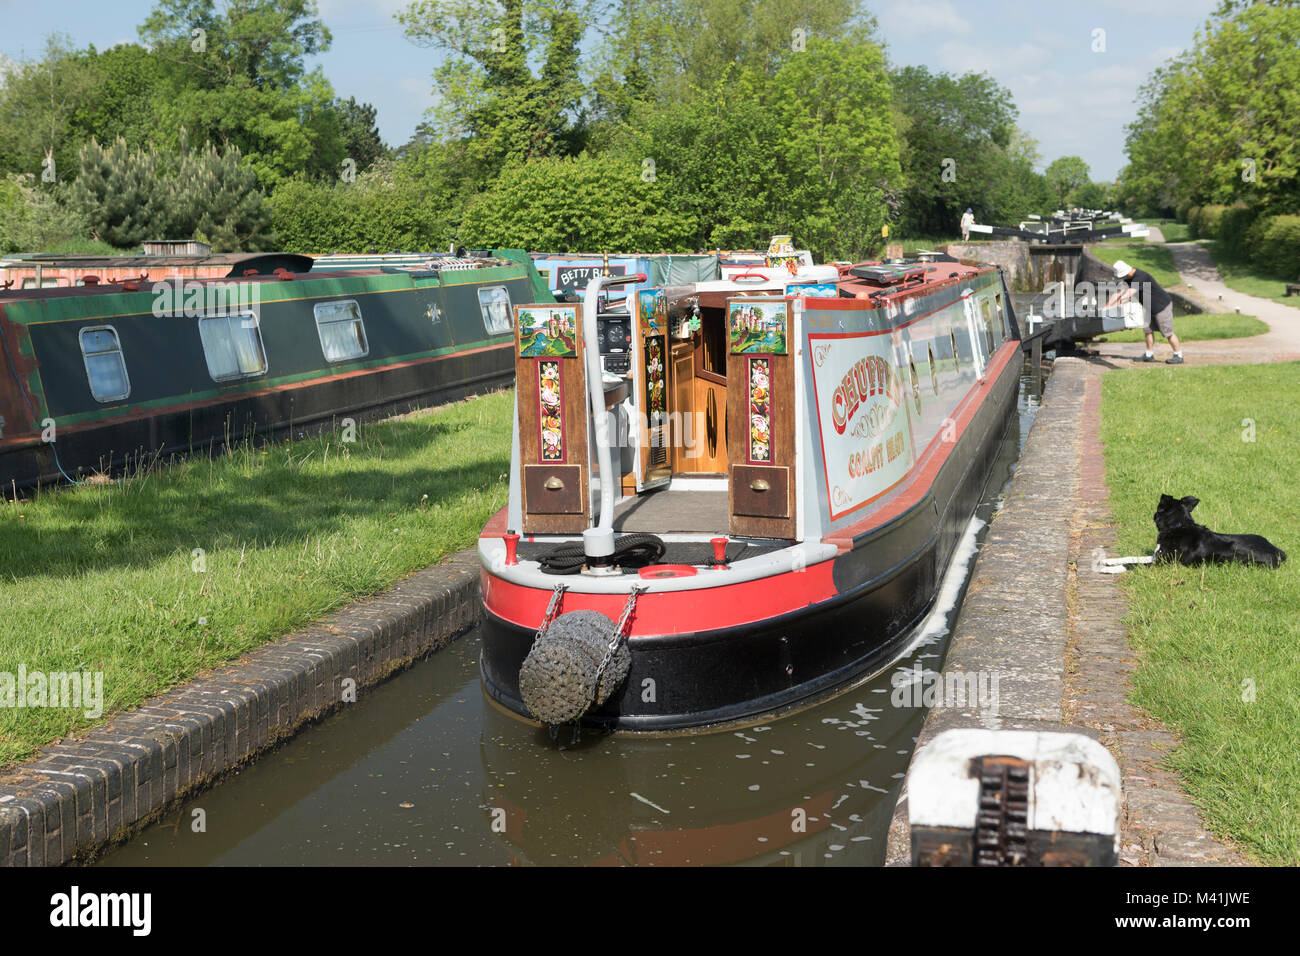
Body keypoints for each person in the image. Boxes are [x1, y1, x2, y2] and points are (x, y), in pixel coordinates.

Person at [1105, 260, 1183, 364]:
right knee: (1147, 330)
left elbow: (1129, 293)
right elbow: (1118, 292)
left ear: (1126, 272)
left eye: (1122, 276)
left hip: (1162, 306)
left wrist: (1119, 304)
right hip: (1149, 307)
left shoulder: (1141, 277)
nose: (1121, 278)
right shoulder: (1129, 279)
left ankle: (1178, 355)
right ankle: (1149, 355)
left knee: (1167, 332)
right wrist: (1107, 306)